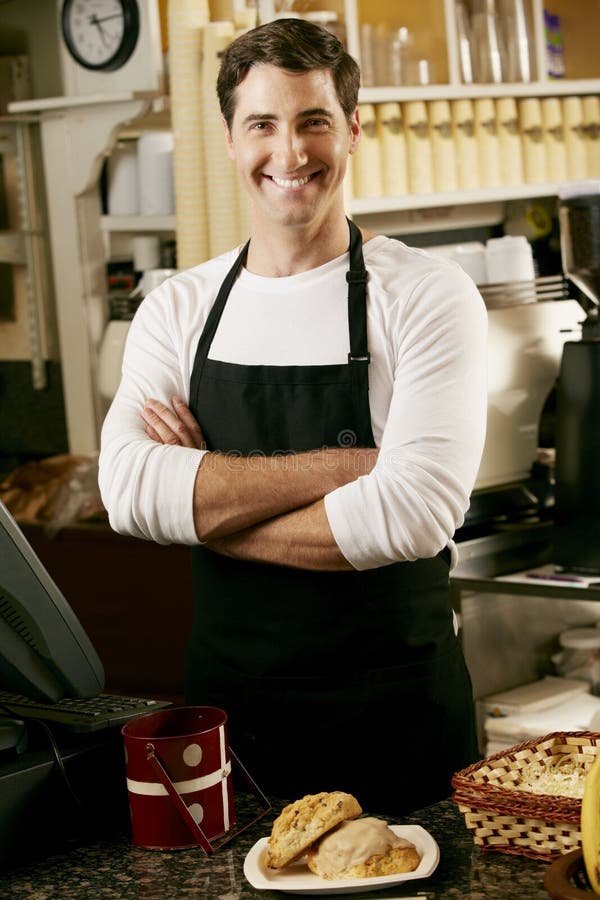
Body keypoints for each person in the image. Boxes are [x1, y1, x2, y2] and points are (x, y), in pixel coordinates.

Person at [99, 17, 488, 814]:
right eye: (263, 125)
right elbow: (131, 493)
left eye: (313, 121)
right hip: (232, 730)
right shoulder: (178, 308)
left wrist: (201, 506)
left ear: (352, 128)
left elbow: (412, 515)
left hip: (398, 725)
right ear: (230, 138)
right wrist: (351, 465)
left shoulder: (423, 294)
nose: (290, 154)